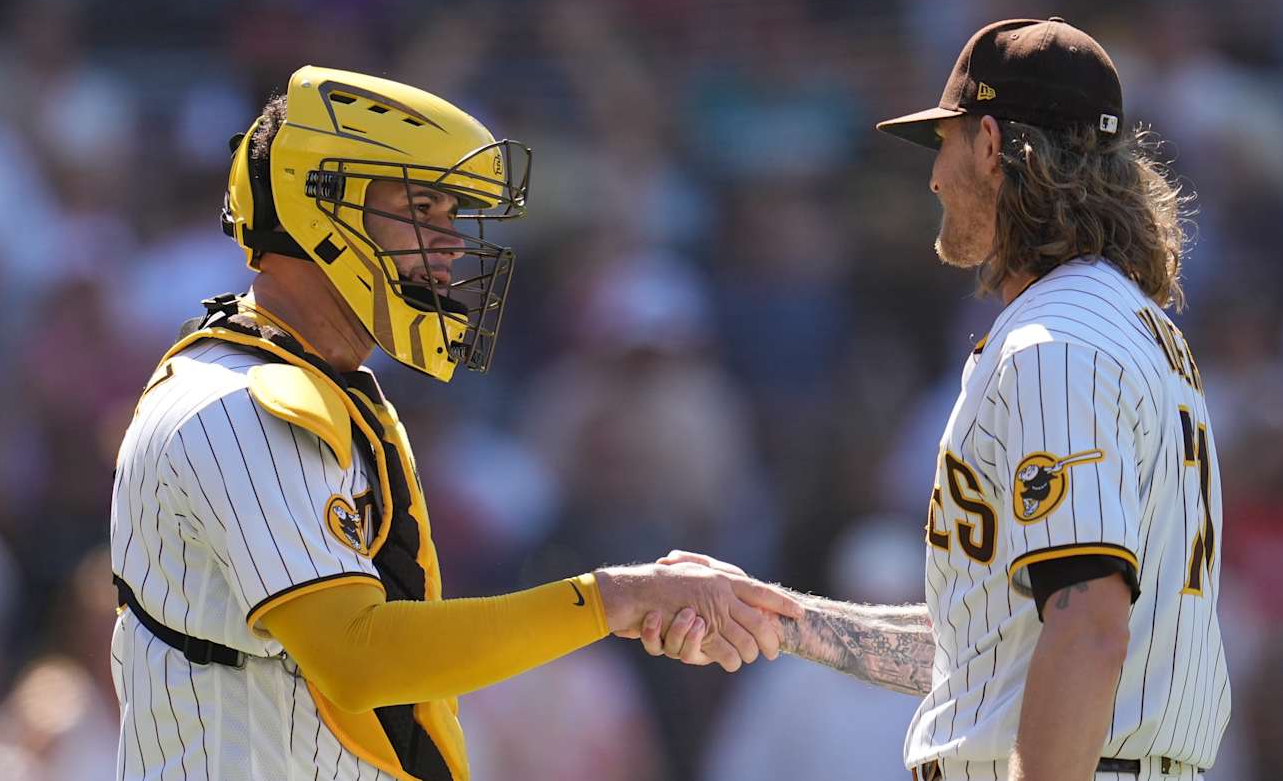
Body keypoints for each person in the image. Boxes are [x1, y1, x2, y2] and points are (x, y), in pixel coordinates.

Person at [107, 65, 800, 781]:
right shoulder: (238, 405)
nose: (452, 244)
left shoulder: (332, 391)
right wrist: (616, 599)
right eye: (422, 210)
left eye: (451, 215)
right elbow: (358, 656)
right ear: (321, 207)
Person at [649, 18, 1229, 781]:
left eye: (943, 143)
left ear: (990, 145)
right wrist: (781, 620)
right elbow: (997, 646)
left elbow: (1087, 625)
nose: (931, 177)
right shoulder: (1135, 331)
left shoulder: (1055, 344)